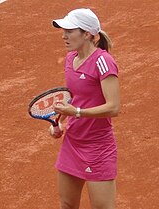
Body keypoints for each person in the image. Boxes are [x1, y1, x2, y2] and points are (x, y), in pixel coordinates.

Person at [51, 8, 120, 209]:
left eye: (70, 31)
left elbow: (113, 107)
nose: (64, 35)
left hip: (98, 147)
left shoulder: (103, 61)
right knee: (67, 204)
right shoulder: (70, 59)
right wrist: (59, 122)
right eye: (63, 30)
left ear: (87, 34)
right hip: (72, 142)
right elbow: (74, 99)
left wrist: (78, 113)